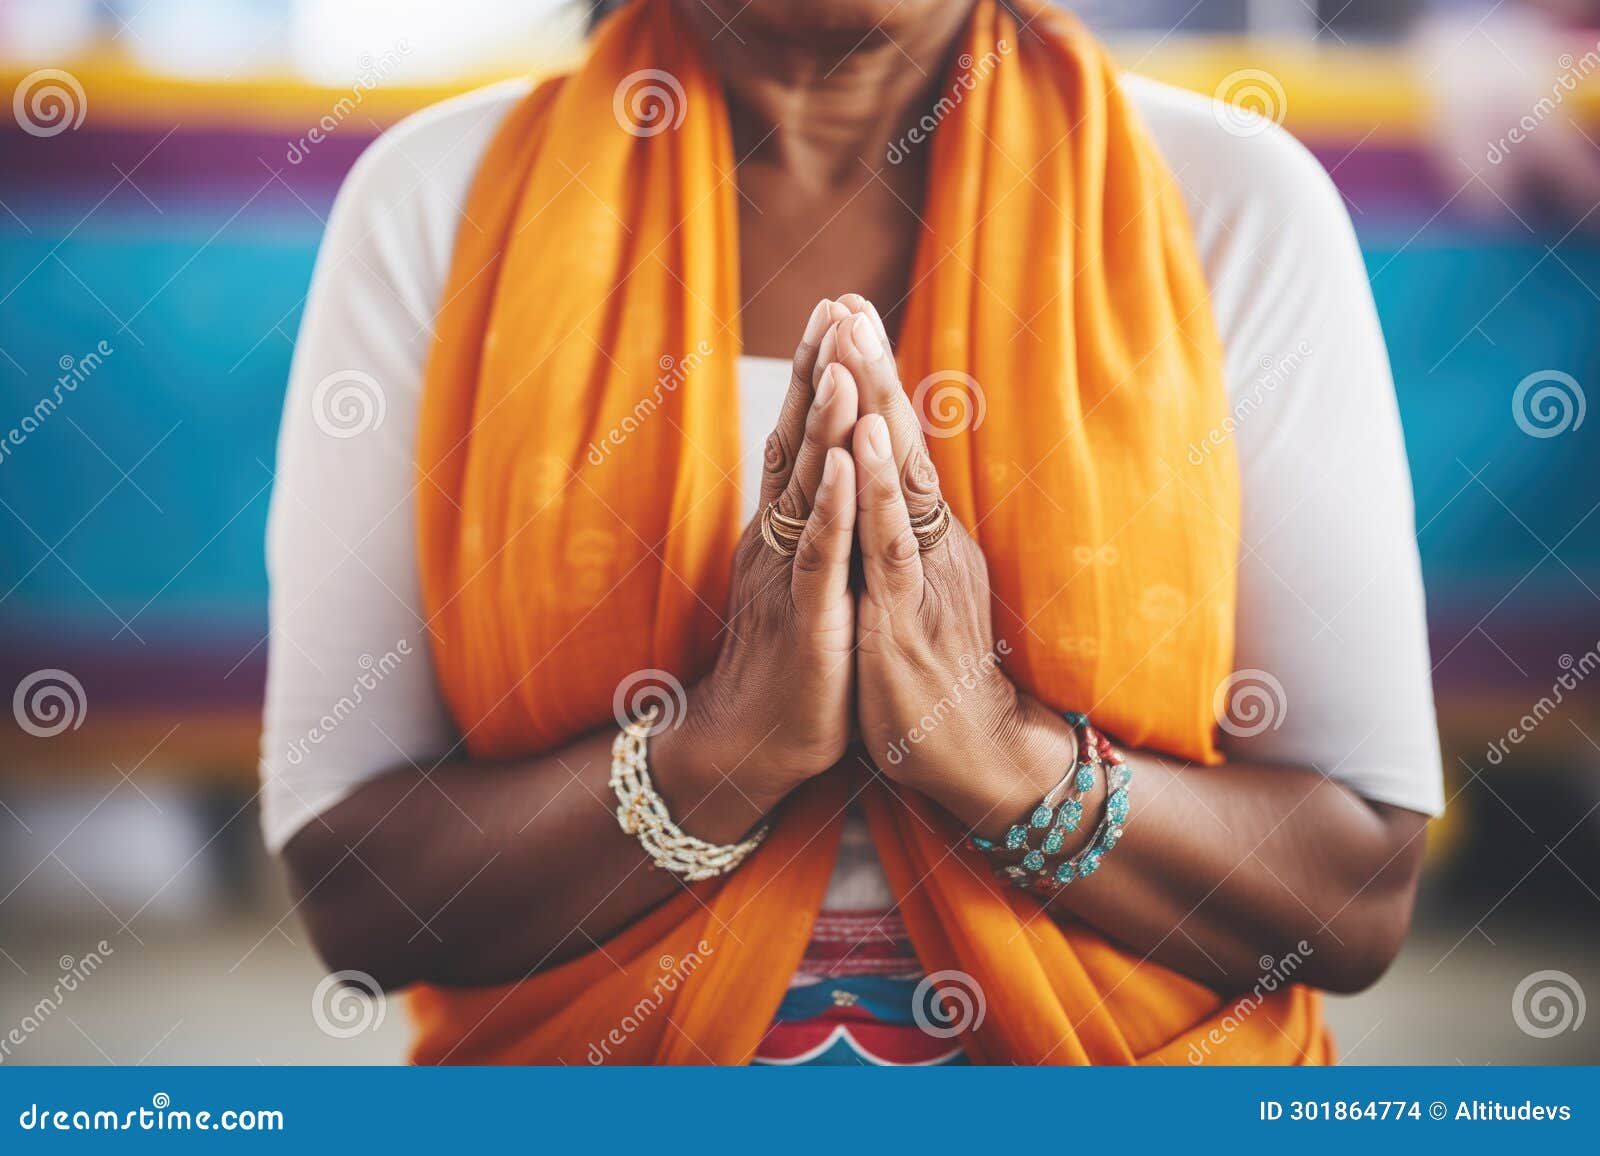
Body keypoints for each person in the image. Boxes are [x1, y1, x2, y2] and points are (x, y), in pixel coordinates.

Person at [261, 0, 1443, 1065]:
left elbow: (1353, 895)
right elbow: (354, 896)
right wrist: (719, 753)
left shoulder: (1228, 199)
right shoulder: (440, 199)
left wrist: (992, 750)